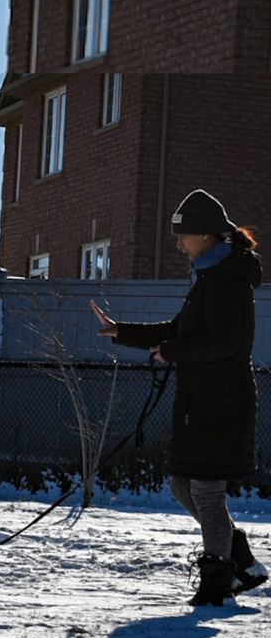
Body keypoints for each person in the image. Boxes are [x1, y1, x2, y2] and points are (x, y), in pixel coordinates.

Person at [91, 188, 266, 606]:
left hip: (222, 402)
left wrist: (171, 351)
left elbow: (223, 342)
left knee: (205, 491)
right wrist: (123, 331)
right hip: (200, 401)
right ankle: (241, 561)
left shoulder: (228, 281)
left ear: (205, 235)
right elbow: (181, 329)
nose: (179, 243)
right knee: (182, 487)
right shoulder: (212, 278)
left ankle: (217, 585)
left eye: (183, 235)